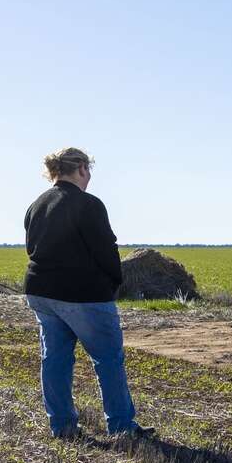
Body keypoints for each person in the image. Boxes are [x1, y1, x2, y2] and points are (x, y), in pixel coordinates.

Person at [23, 147, 153, 442]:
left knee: (54, 359)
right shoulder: (88, 204)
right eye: (88, 170)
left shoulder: (37, 205)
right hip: (84, 295)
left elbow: (31, 248)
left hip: (41, 292)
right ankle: (121, 427)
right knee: (108, 359)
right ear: (81, 168)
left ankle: (63, 427)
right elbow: (106, 250)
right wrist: (114, 282)